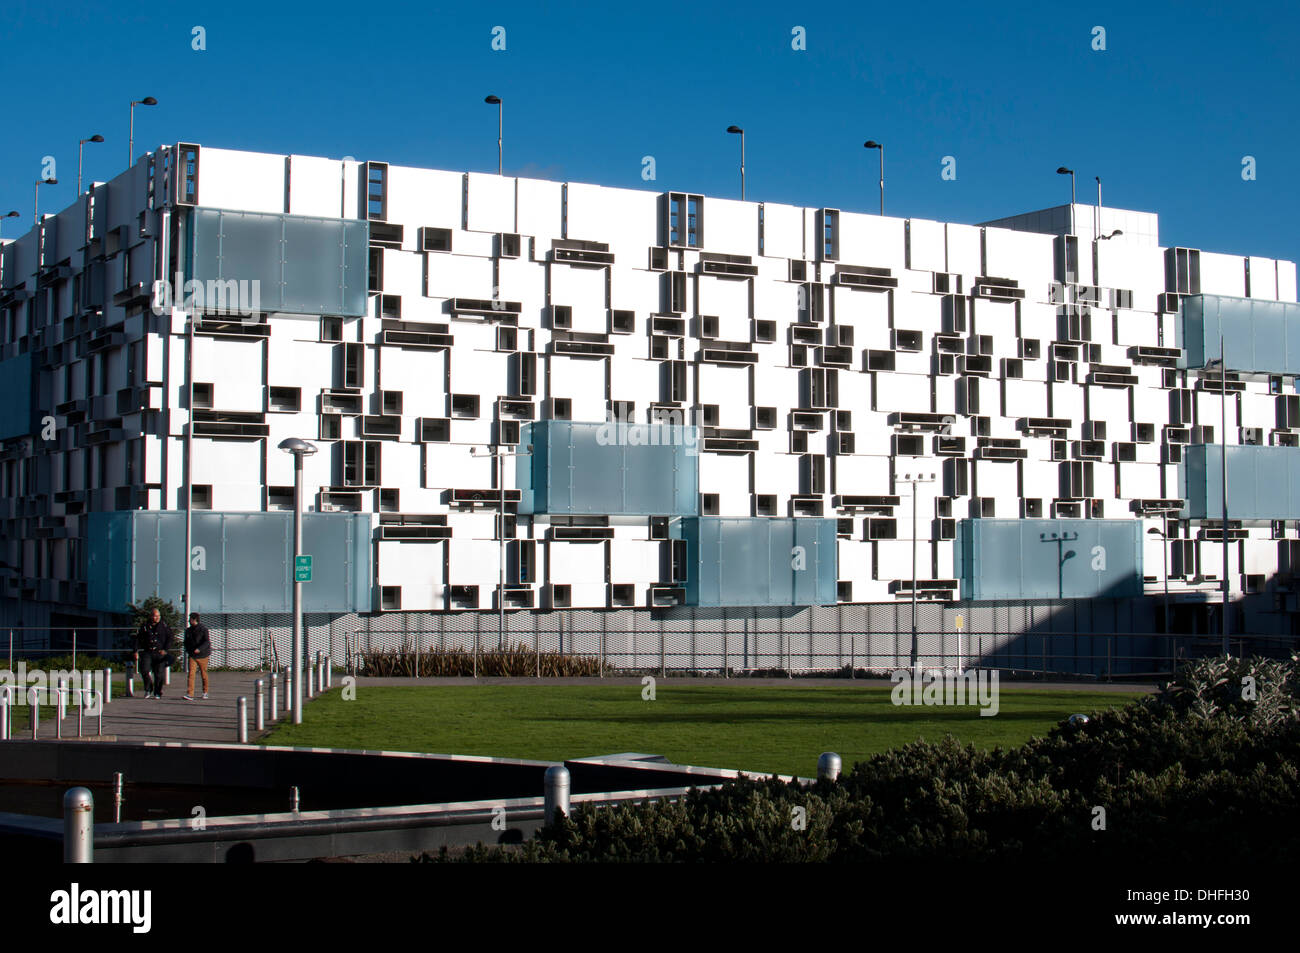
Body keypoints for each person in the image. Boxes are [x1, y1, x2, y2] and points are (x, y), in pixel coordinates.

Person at [133, 607, 173, 699]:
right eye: (155, 616)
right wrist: (135, 650)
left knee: (159, 674)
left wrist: (165, 649)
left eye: (158, 616)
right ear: (151, 616)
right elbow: (138, 639)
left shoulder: (164, 626)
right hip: (148, 652)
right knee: (144, 670)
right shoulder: (145, 626)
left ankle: (158, 692)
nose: (157, 618)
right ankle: (148, 689)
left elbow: (170, 638)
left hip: (160, 653)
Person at [183, 613, 211, 701]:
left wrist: (199, 649)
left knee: (203, 674)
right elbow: (186, 642)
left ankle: (205, 692)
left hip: (203, 655)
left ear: (195, 620)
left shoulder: (203, 629)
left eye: (190, 619)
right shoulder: (188, 630)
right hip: (192, 655)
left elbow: (207, 642)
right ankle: (190, 694)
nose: (189, 621)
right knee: (191, 674)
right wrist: (188, 650)